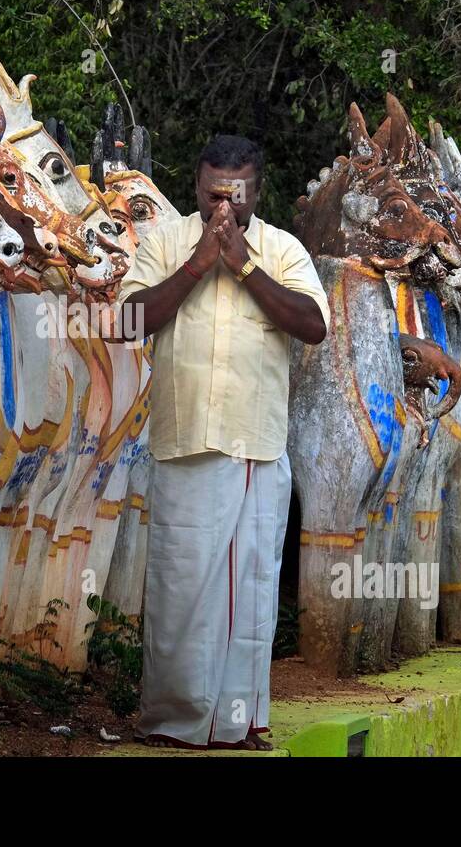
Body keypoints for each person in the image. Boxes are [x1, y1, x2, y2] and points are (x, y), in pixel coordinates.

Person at [117, 134, 330, 750]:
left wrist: (243, 265)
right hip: (184, 444)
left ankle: (237, 724)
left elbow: (312, 325)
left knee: (252, 592)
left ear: (256, 192)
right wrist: (198, 265)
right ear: (197, 187)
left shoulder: (282, 249)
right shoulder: (163, 242)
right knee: (181, 590)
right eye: (214, 193)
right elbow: (129, 322)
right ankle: (175, 722)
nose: (224, 208)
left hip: (259, 449)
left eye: (237, 197)